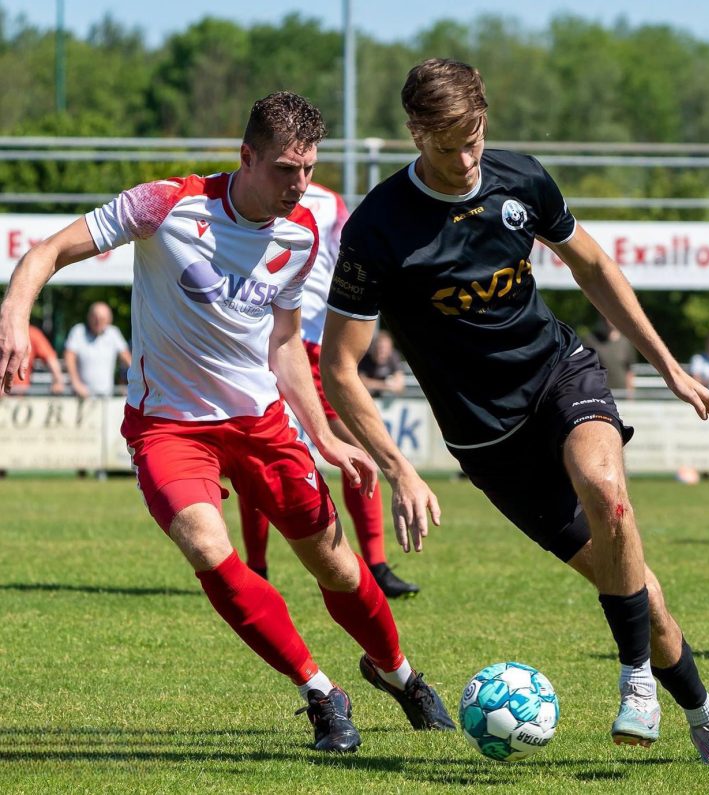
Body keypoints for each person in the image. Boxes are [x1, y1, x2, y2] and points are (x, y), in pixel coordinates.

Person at [319, 58, 709, 767]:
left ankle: (635, 680)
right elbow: (340, 367)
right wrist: (399, 469)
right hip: (488, 441)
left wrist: (670, 367)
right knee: (639, 591)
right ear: (416, 133)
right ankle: (705, 713)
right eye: (449, 146)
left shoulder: (521, 179)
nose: (467, 160)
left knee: (607, 489)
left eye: (475, 139)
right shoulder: (378, 228)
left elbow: (594, 267)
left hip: (559, 374)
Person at [0, 91, 453, 752]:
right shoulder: (165, 205)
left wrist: (324, 436)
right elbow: (48, 251)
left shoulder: (302, 234)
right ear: (247, 156)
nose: (299, 184)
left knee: (336, 566)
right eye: (286, 169)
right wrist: (15, 317)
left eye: (308, 169)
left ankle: (398, 673)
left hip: (262, 424)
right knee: (208, 548)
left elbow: (285, 345)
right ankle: (321, 692)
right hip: (168, 427)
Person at [237, 183, 420, 597]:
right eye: (286, 166)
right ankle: (256, 570)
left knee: (356, 447)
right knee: (256, 458)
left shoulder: (329, 203)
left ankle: (376, 565)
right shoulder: (250, 192)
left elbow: (354, 258)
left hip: (314, 347)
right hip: (260, 343)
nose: (296, 175)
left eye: (305, 164)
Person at [64, 302, 132, 397]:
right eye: (95, 318)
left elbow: (127, 358)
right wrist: (76, 383)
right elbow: (69, 357)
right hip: (80, 395)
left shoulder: (113, 333)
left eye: (102, 319)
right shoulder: (78, 331)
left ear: (109, 319)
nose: (98, 321)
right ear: (89, 317)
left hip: (106, 395)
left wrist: (138, 380)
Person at [582, 315, 636, 397]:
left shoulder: (625, 342)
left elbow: (629, 372)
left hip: (622, 395)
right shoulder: (591, 340)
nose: (611, 319)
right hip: (599, 395)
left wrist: (630, 396)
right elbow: (584, 369)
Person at [9, 323, 65, 394]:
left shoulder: (31, 333)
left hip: (18, 393)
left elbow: (50, 358)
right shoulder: (30, 332)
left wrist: (58, 381)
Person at [358, 329, 407, 398]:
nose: (382, 352)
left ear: (390, 350)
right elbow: (361, 383)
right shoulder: (365, 358)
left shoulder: (394, 357)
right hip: (367, 395)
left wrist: (374, 384)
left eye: (385, 348)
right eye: (379, 348)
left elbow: (400, 386)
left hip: (386, 398)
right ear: (374, 348)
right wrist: (386, 385)